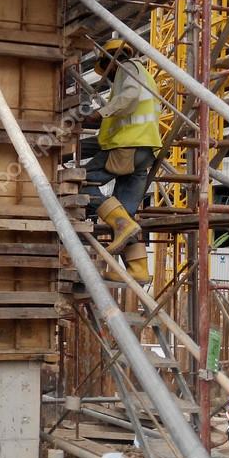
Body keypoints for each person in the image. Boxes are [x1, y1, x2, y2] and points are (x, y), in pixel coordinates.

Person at [83, 38, 162, 281]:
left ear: (111, 61)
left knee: (80, 184)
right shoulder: (146, 76)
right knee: (125, 213)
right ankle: (138, 269)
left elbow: (128, 98)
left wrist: (100, 113)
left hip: (128, 146)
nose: (108, 76)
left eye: (106, 68)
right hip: (145, 150)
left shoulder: (128, 68)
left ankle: (122, 225)